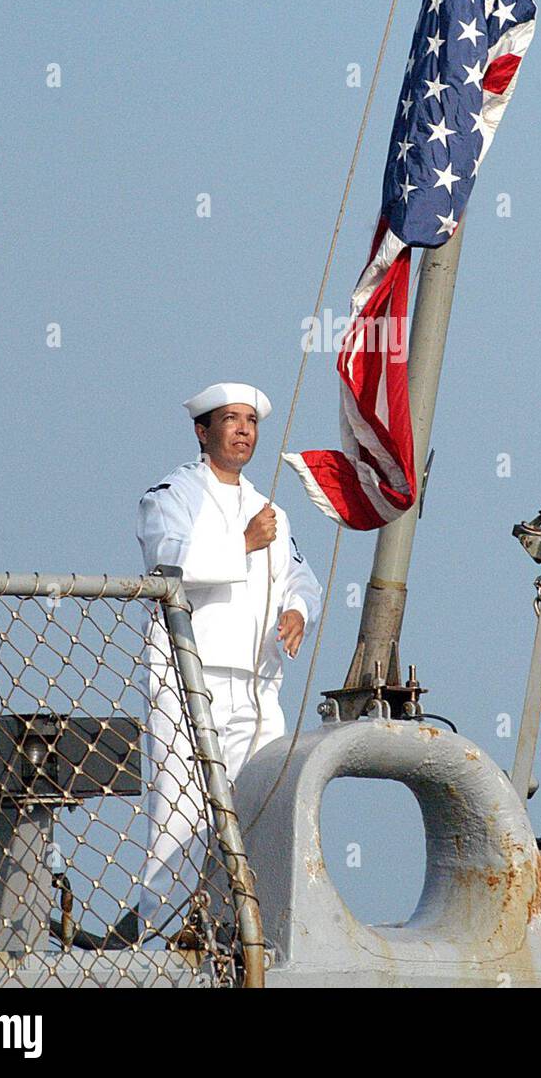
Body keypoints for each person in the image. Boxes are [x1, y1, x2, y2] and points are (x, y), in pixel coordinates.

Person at [135, 381, 322, 937]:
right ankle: (155, 940)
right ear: (203, 431)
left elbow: (300, 577)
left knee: (265, 809)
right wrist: (240, 542)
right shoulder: (171, 495)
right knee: (181, 820)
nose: (244, 430)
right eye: (231, 420)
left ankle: (244, 936)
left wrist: (297, 611)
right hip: (190, 681)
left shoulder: (272, 513)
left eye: (251, 422)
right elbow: (167, 561)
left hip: (259, 686)